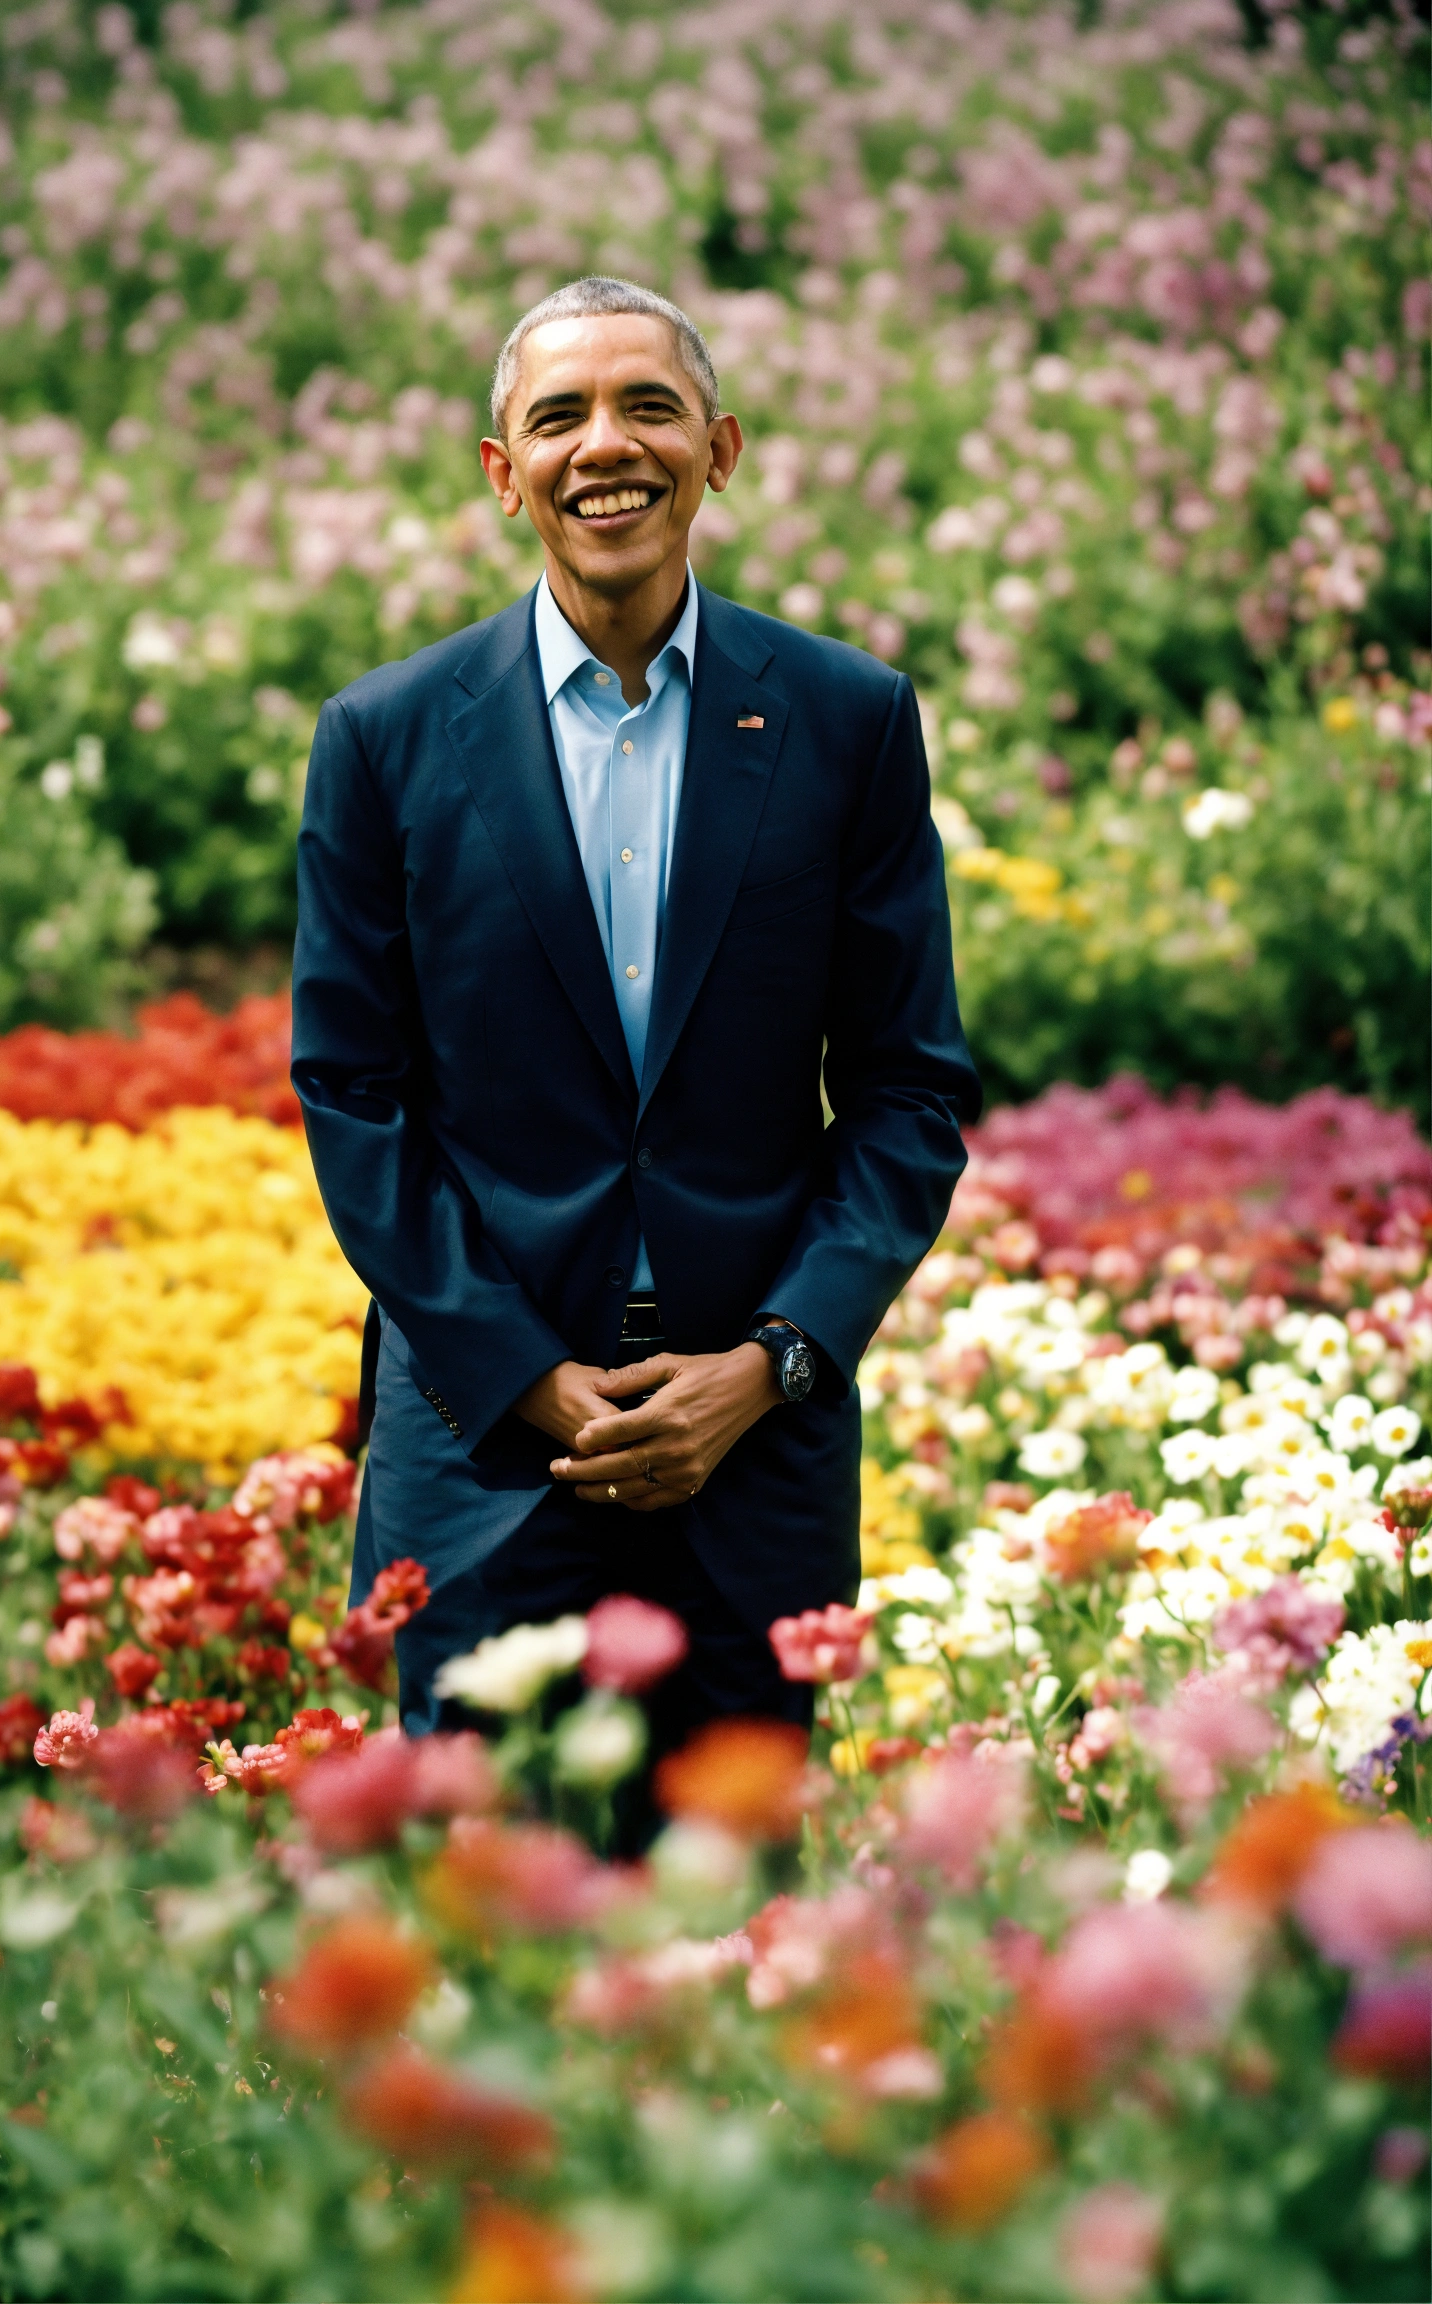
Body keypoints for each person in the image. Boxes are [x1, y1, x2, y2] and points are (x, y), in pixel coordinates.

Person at [291, 276, 979, 1775]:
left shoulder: (846, 720)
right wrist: (521, 1373)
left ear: (719, 449)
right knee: (478, 1925)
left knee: (731, 1944)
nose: (607, 445)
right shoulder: (385, 739)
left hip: (755, 1436)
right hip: (482, 1442)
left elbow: (907, 1091)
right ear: (503, 471)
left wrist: (775, 1360)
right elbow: (351, 1091)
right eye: (561, 415)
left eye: (648, 406)